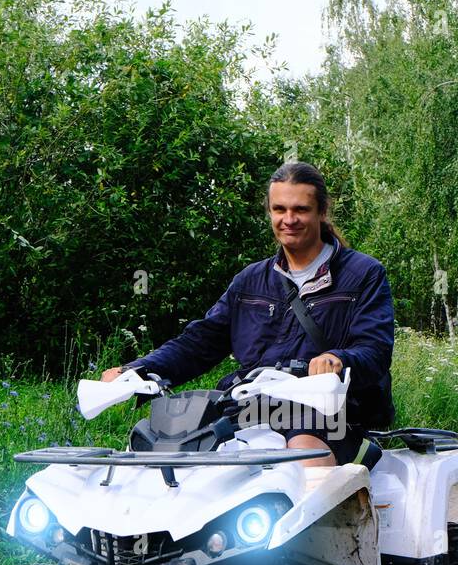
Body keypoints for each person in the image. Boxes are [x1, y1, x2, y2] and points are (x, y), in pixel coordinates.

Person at [100, 161, 395, 467]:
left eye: (301, 210)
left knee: (303, 459)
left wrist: (339, 359)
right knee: (169, 455)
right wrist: (138, 369)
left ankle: (338, 501)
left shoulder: (363, 274)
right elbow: (200, 341)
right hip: (249, 406)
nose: (289, 219)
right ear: (270, 212)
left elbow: (375, 350)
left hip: (327, 411)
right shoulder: (250, 280)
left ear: (322, 212)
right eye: (279, 209)